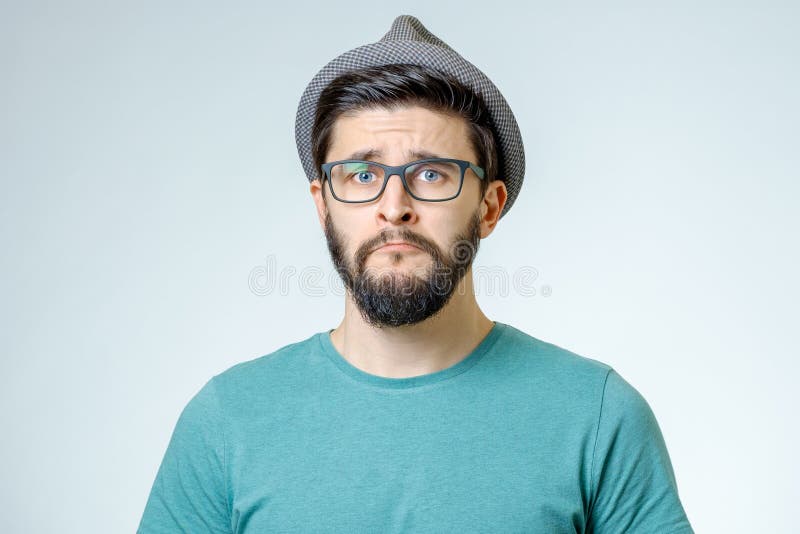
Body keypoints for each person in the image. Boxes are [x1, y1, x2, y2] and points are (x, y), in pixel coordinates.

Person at [138, 15, 693, 533]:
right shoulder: (227, 420)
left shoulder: (598, 417)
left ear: (489, 207)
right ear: (323, 205)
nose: (394, 206)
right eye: (361, 174)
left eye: (432, 173)